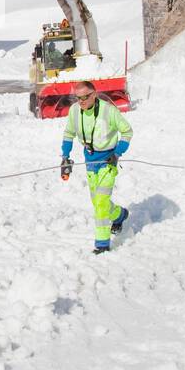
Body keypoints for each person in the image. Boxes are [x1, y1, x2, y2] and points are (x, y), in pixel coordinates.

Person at [61, 81, 133, 254]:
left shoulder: (109, 111)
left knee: (100, 202)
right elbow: (69, 134)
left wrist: (117, 153)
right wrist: (65, 157)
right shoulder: (74, 111)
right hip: (90, 160)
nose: (82, 101)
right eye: (78, 98)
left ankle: (102, 245)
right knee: (97, 201)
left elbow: (127, 131)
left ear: (94, 94)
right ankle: (120, 215)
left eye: (85, 97)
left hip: (108, 160)